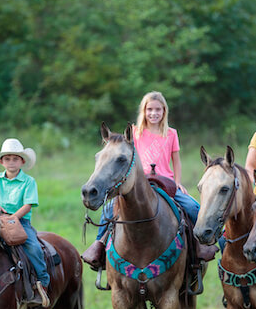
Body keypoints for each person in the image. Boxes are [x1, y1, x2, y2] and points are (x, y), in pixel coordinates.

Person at [82, 91, 216, 269]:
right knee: (108, 210)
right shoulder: (135, 134)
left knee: (192, 207)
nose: (154, 113)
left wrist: (177, 182)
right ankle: (99, 245)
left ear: (164, 111)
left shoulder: (171, 134)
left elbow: (176, 161)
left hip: (165, 182)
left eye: (158, 110)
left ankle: (197, 248)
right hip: (140, 182)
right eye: (150, 109)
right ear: (144, 111)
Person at [0, 138, 49, 308]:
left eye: (15, 159)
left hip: (20, 221)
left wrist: (14, 218)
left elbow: (28, 205)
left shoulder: (28, 182)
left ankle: (43, 282)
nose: (11, 162)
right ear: (1, 161)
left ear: (22, 161)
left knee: (33, 247)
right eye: (7, 159)